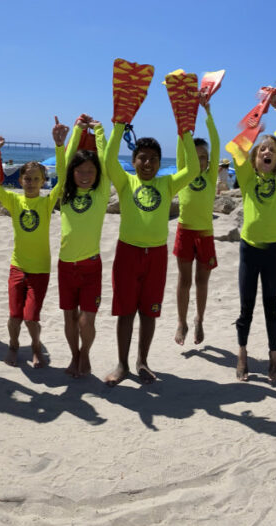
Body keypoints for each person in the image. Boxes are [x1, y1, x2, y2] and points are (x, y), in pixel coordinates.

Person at [103, 115, 199, 386]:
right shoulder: (125, 183)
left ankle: (142, 361)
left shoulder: (167, 184)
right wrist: (119, 124)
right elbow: (110, 160)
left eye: (153, 159)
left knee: (149, 312)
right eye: (142, 158)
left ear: (160, 163)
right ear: (133, 162)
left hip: (156, 256)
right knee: (125, 312)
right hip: (127, 253)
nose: (147, 163)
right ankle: (122, 364)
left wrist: (186, 133)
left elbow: (192, 168)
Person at [230, 93, 276, 381]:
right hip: (249, 249)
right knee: (247, 306)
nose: (266, 152)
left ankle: (274, 356)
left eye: (272, 150)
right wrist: (258, 115)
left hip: (273, 251)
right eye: (262, 150)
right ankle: (242, 354)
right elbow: (237, 146)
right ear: (255, 158)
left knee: (271, 305)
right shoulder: (246, 178)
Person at [0, 131, 64, 368]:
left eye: (36, 179)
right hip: (17, 266)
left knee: (31, 318)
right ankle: (14, 346)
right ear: (20, 181)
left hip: (40, 270)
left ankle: (36, 347)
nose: (31, 183)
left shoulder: (47, 203)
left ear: (43, 181)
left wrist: (59, 147)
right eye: (27, 179)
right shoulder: (14, 201)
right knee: (14, 317)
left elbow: (65, 178)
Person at [55, 114, 109, 377]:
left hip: (90, 266)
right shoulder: (65, 193)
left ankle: (85, 354)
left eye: (90, 171)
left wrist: (99, 131)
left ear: (97, 173)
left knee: (86, 320)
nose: (85, 176)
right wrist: (76, 129)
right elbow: (63, 162)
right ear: (72, 173)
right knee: (69, 318)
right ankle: (74, 355)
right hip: (66, 266)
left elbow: (106, 159)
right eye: (80, 171)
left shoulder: (99, 194)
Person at [174, 95, 219, 346]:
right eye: (196, 156)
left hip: (205, 234)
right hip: (185, 232)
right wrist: (185, 114)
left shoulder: (211, 176)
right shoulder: (184, 172)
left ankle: (199, 319)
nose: (199, 160)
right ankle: (182, 321)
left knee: (202, 281)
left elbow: (215, 141)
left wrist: (208, 113)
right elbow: (182, 142)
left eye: (203, 157)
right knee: (184, 280)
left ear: (209, 161)